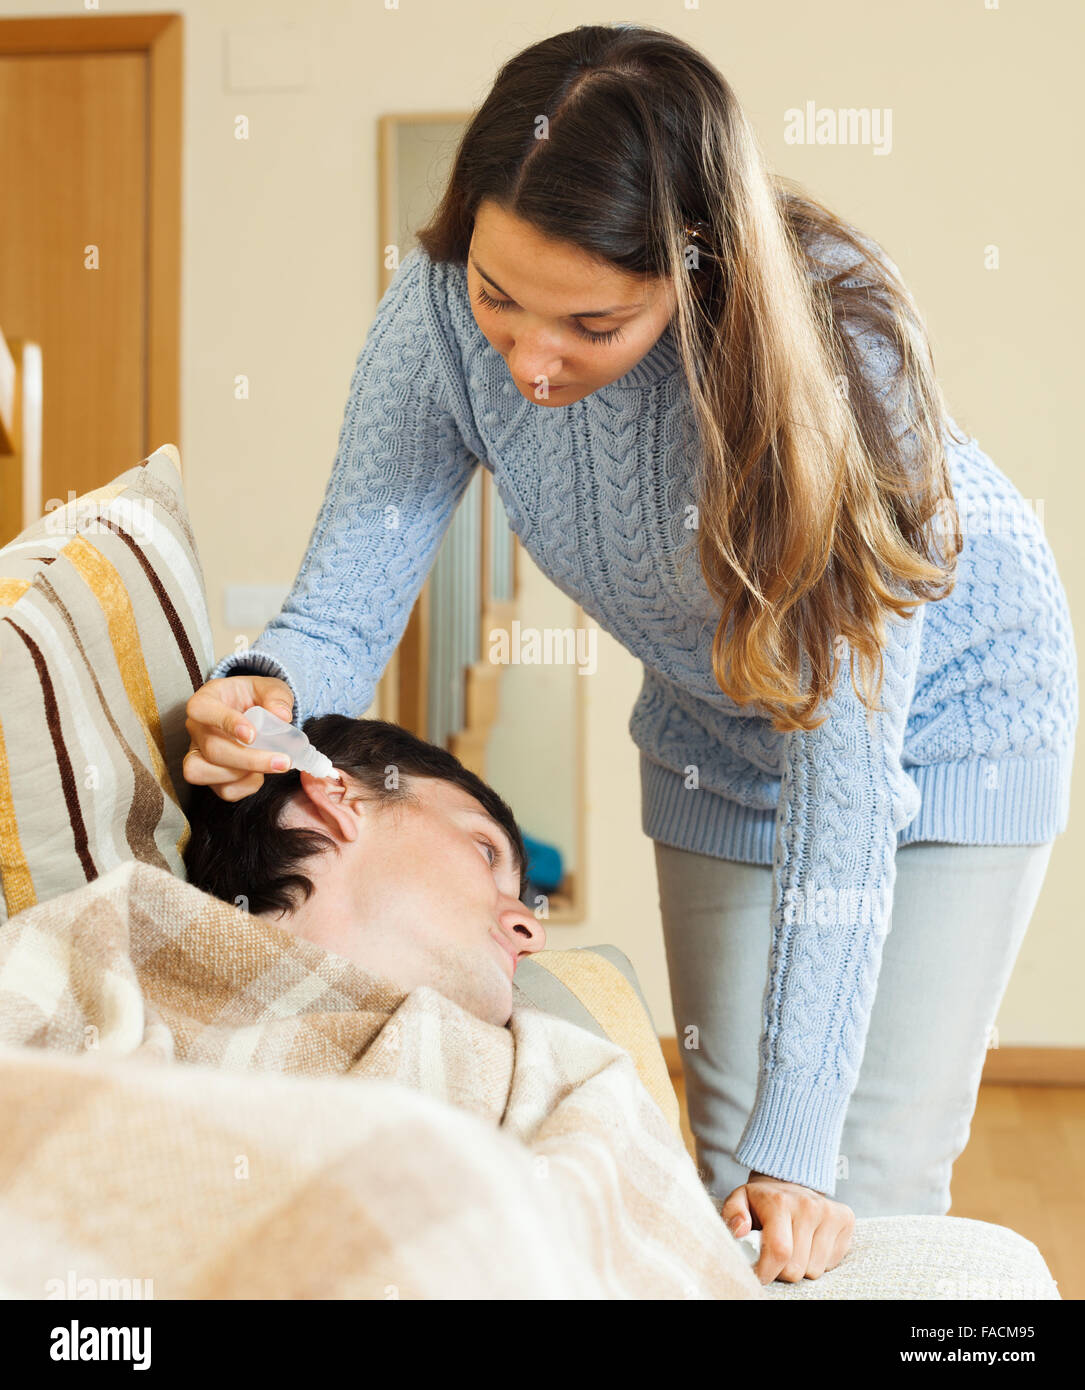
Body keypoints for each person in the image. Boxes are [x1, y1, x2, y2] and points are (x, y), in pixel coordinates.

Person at [183, 24, 1077, 1269]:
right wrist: (256, 696)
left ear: (692, 274)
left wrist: (801, 1148)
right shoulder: (437, 315)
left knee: (848, 1191)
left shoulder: (834, 355)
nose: (530, 361)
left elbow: (845, 773)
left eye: (591, 322)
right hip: (714, 730)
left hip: (952, 724)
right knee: (723, 1187)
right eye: (501, 295)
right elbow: (341, 608)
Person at [182, 710, 855, 1285]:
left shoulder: (558, 1067)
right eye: (483, 852)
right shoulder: (128, 970)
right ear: (338, 795)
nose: (530, 928)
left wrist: (758, 1222)